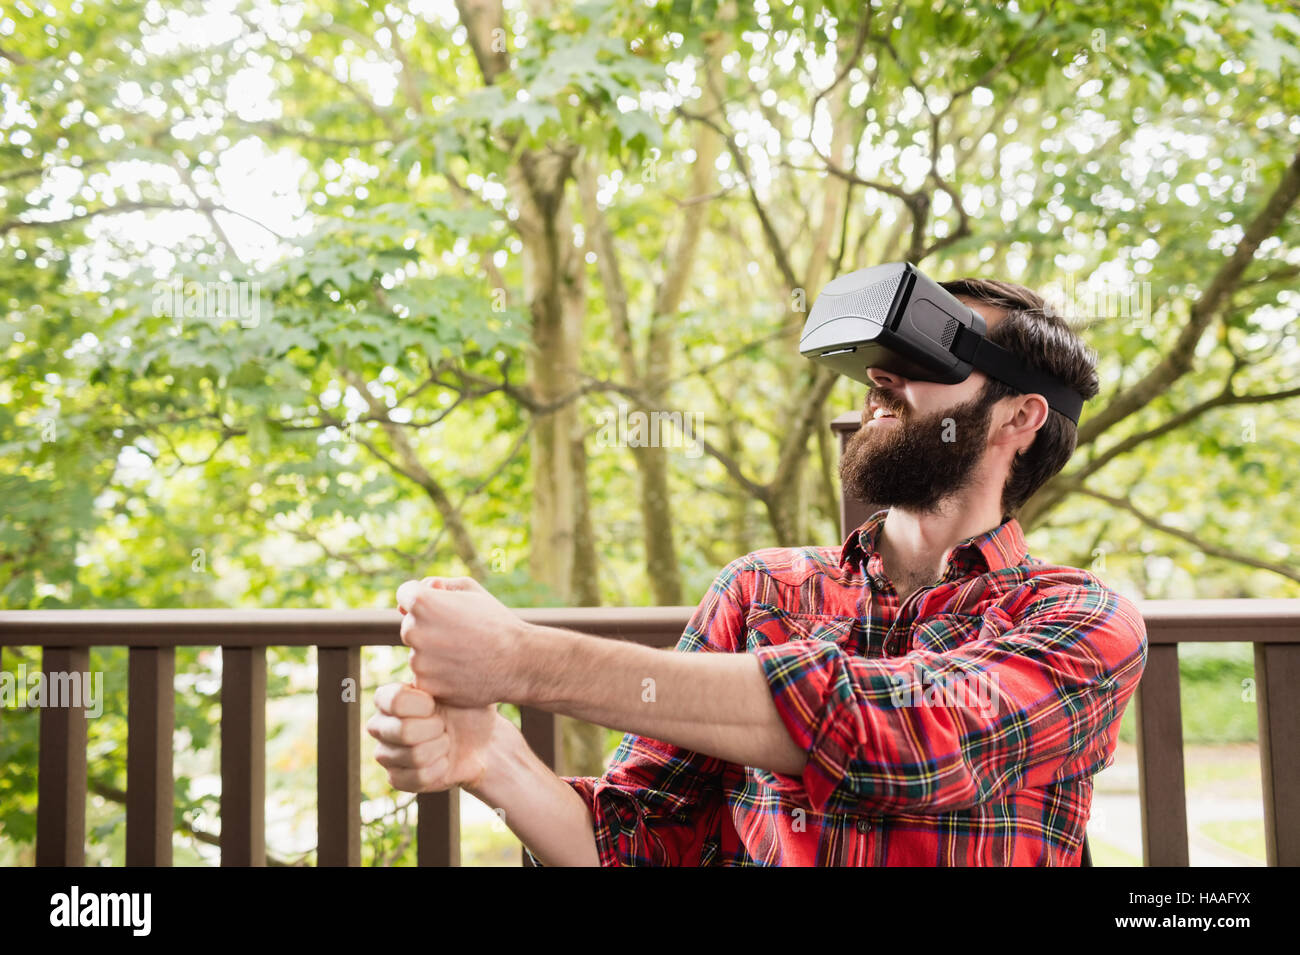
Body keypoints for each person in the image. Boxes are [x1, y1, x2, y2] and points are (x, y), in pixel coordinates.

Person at [367, 277, 1149, 866]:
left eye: (924, 359)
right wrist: (491, 757)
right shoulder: (762, 590)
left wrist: (521, 661)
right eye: (876, 361)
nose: (880, 379)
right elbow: (636, 842)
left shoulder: (1081, 621)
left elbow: (907, 735)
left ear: (1019, 417)